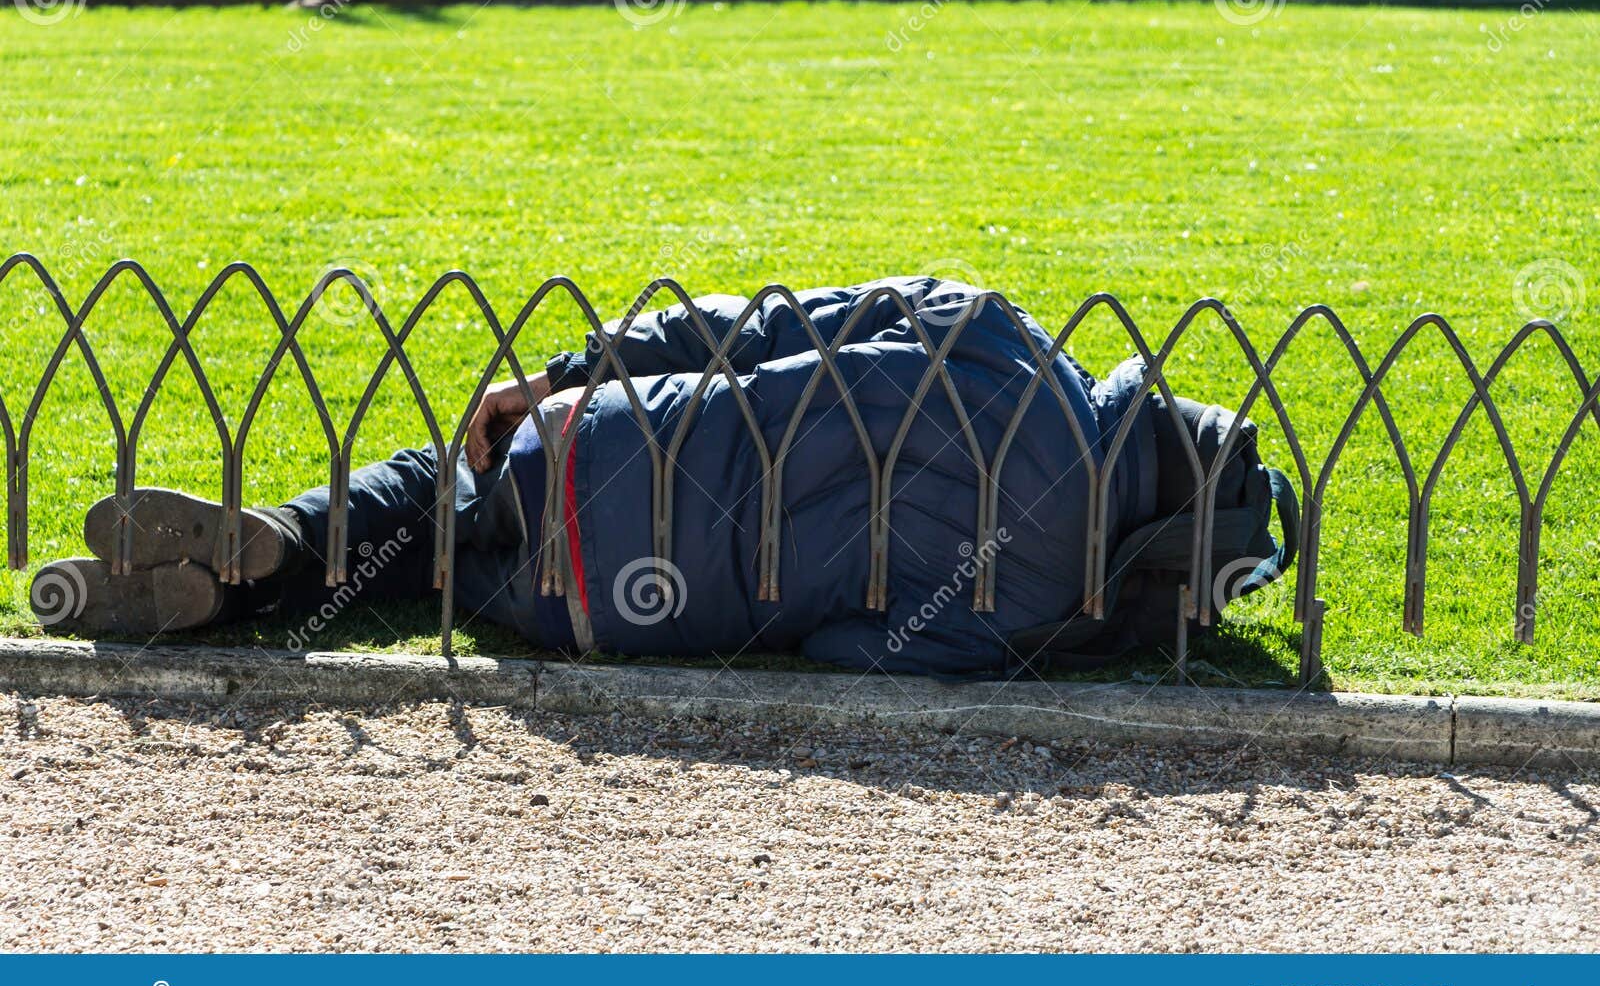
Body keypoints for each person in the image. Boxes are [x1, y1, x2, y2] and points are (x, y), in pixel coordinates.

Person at [30, 276, 1295, 677]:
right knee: (443, 564)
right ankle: (242, 582)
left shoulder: (1001, 337)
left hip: (602, 443)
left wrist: (562, 370)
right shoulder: (1033, 609)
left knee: (431, 485)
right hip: (622, 607)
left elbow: (755, 322)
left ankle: (265, 544)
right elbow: (850, 654)